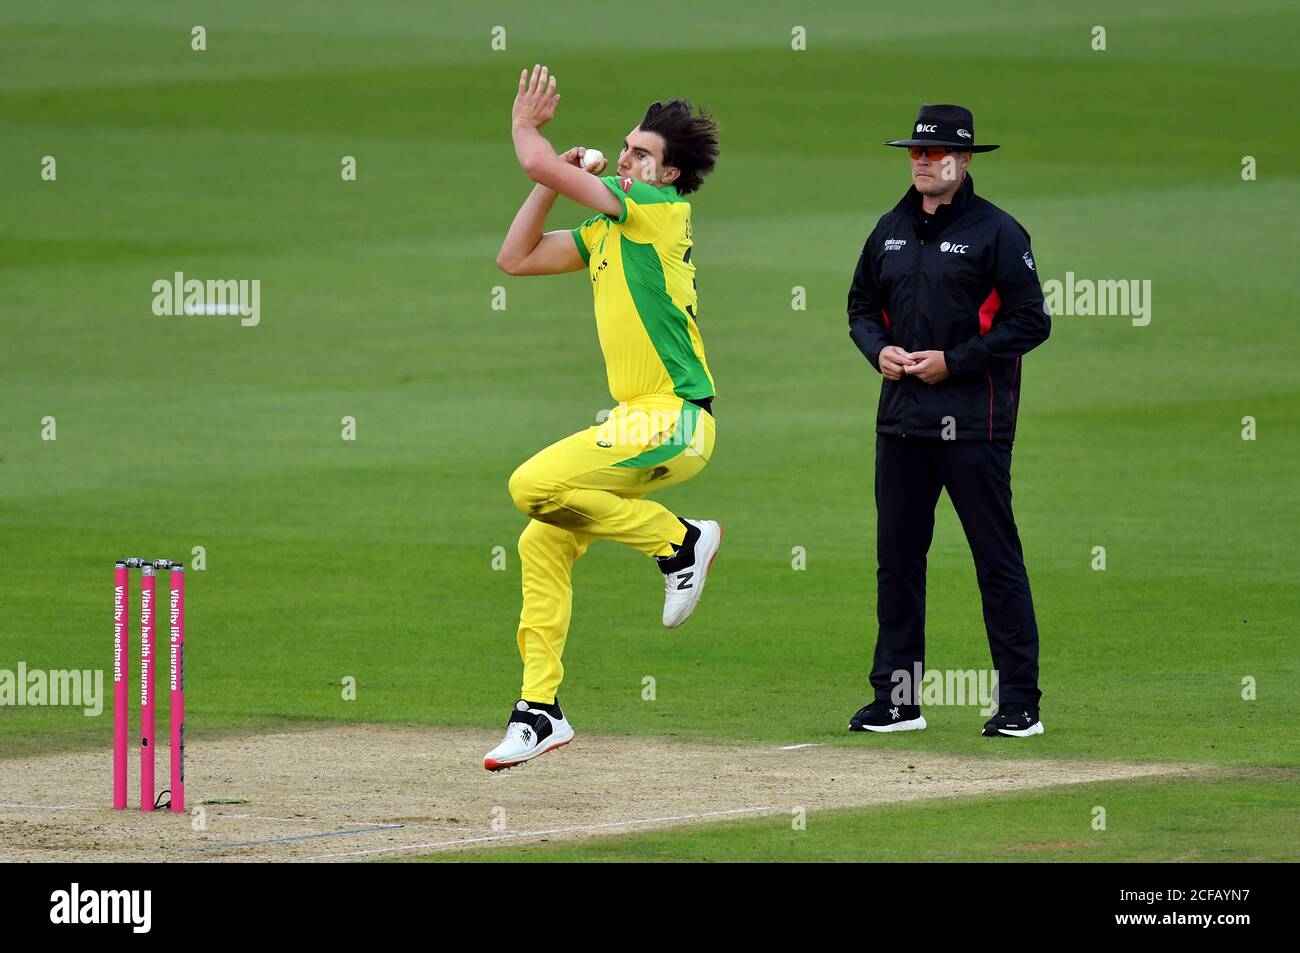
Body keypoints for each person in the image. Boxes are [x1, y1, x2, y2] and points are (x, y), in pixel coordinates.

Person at [486, 65, 722, 769]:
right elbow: (514, 258)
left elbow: (532, 152)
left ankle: (678, 541)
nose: (625, 161)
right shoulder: (611, 224)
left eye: (641, 155)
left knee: (530, 484)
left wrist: (530, 133)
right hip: (638, 422)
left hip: (676, 418)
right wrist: (548, 178)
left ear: (669, 176)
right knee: (541, 540)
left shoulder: (653, 208)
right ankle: (541, 710)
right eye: (625, 149)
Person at [845, 104, 1051, 738]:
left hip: (975, 424)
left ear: (963, 162)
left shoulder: (999, 233)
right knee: (898, 561)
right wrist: (877, 348)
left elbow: (1030, 322)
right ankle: (898, 700)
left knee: (996, 561)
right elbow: (859, 306)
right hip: (901, 424)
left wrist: (953, 363)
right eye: (915, 153)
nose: (922, 162)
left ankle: (1020, 704)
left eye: (934, 154)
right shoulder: (890, 229)